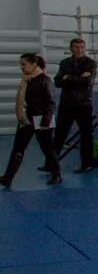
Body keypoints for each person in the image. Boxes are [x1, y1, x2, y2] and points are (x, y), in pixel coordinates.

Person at [2, 54, 62, 188]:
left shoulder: (45, 80)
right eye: (21, 64)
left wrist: (46, 121)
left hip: (42, 118)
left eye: (24, 64)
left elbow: (50, 102)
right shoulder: (27, 80)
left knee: (47, 149)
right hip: (29, 117)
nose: (21, 67)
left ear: (34, 64)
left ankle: (57, 174)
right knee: (18, 148)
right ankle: (8, 177)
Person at [50, 37, 97, 174]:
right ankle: (51, 163)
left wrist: (68, 77)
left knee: (86, 135)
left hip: (83, 103)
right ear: (71, 49)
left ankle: (87, 164)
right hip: (67, 103)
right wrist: (77, 77)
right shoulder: (64, 63)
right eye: (76, 47)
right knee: (59, 134)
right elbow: (58, 81)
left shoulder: (91, 63)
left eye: (82, 47)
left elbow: (87, 81)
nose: (79, 50)